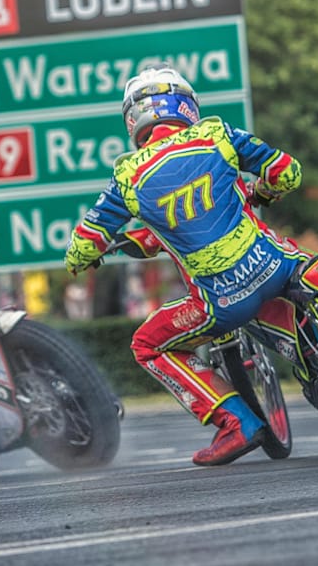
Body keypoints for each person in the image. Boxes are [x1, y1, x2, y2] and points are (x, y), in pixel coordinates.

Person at [64, 67, 305, 465]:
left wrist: (80, 259)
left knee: (147, 344)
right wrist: (264, 190)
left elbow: (84, 243)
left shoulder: (128, 176)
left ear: (133, 120)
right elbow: (288, 173)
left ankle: (236, 424)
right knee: (316, 276)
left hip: (222, 301)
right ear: (188, 107)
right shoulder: (218, 134)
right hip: (278, 266)